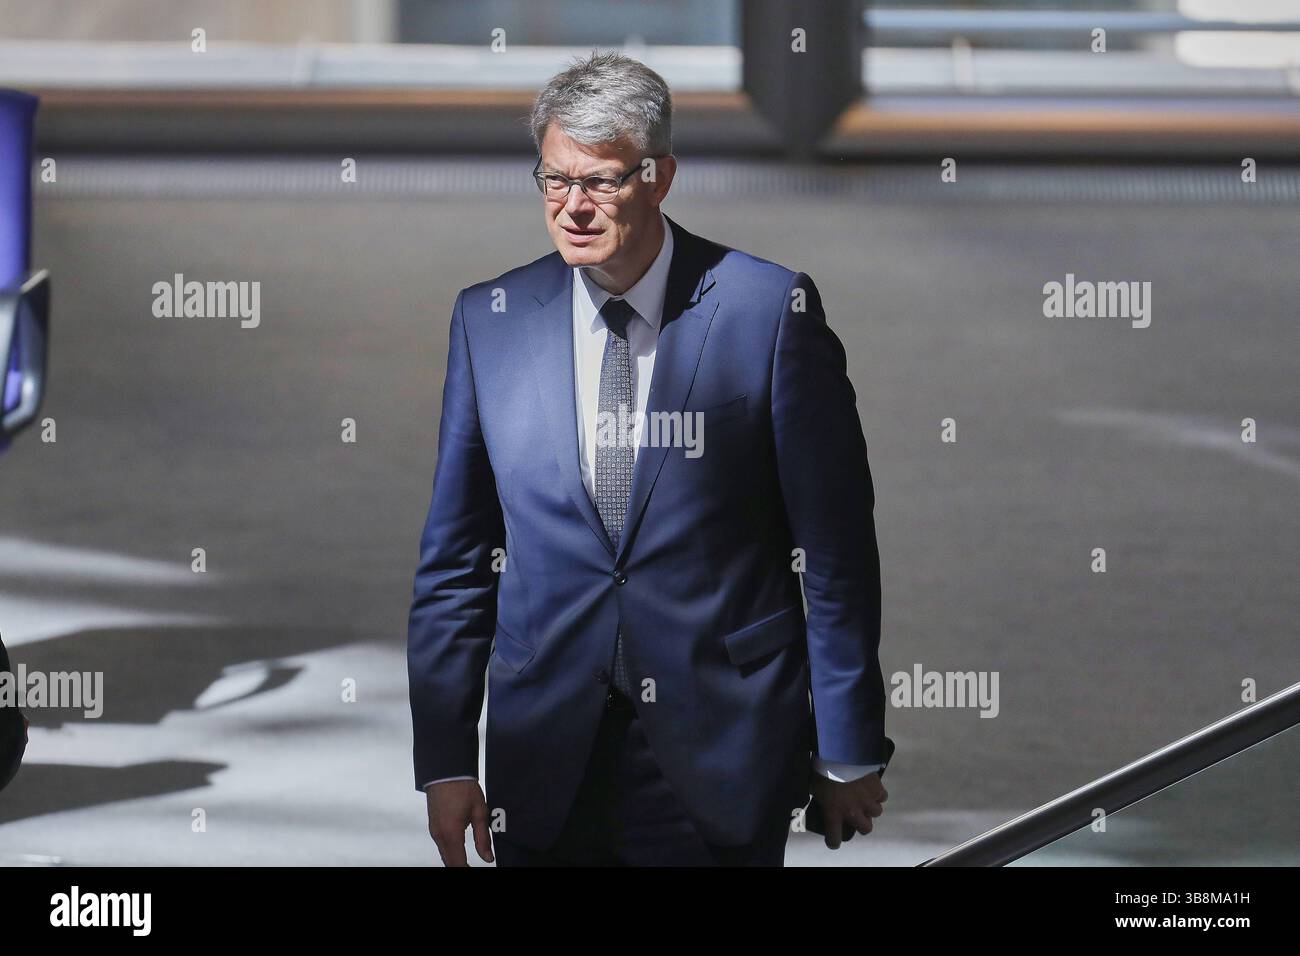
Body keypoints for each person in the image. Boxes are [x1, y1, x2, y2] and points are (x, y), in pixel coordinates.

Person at [407, 51, 892, 867]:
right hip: (545, 746)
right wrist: (447, 758)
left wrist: (847, 747)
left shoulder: (769, 313)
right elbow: (456, 562)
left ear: (660, 176)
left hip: (722, 746)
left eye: (601, 182)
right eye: (555, 180)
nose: (574, 209)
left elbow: (837, 552)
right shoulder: (488, 320)